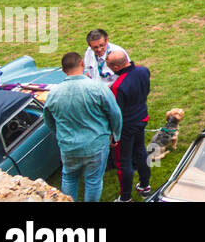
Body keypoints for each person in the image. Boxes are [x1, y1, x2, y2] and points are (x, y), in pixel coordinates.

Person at [42, 51, 122, 203]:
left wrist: (61, 136)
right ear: (82, 64)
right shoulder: (98, 88)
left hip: (68, 146)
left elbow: (49, 121)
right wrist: (115, 135)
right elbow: (115, 114)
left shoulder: (53, 94)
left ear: (63, 70)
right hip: (96, 145)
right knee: (93, 181)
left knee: (69, 177)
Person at [106, 50, 152, 201]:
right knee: (140, 151)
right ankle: (145, 186)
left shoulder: (118, 86)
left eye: (109, 65)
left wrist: (112, 135)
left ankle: (125, 198)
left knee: (123, 162)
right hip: (142, 118)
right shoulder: (143, 70)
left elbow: (115, 113)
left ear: (116, 67)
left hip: (125, 127)